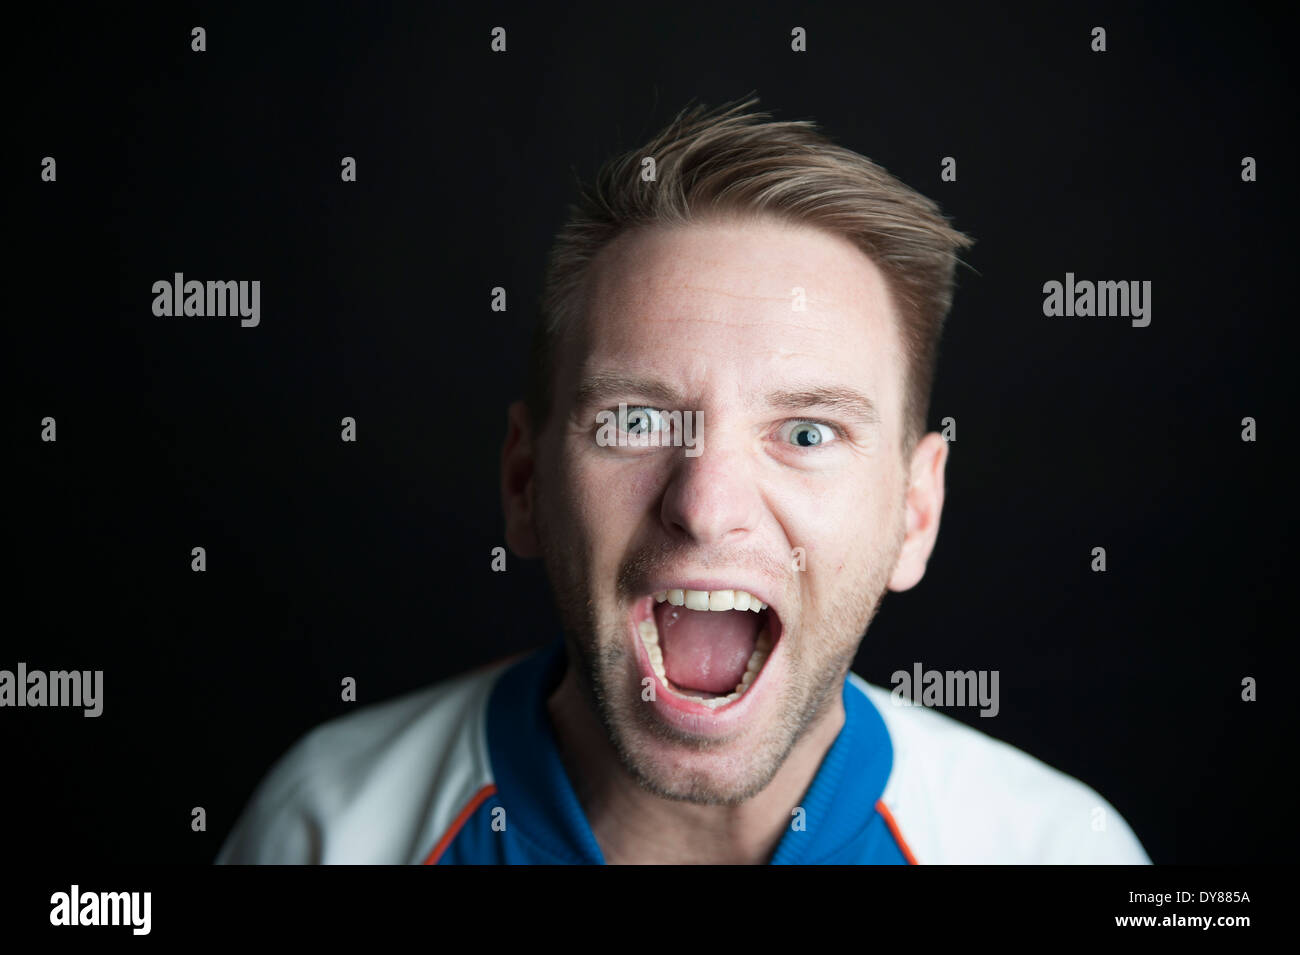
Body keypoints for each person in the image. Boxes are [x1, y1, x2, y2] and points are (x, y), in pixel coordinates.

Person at [216, 96, 1150, 865]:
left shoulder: (1062, 849)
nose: (705, 506)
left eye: (808, 430)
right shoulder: (327, 830)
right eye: (635, 420)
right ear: (524, 479)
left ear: (916, 510)